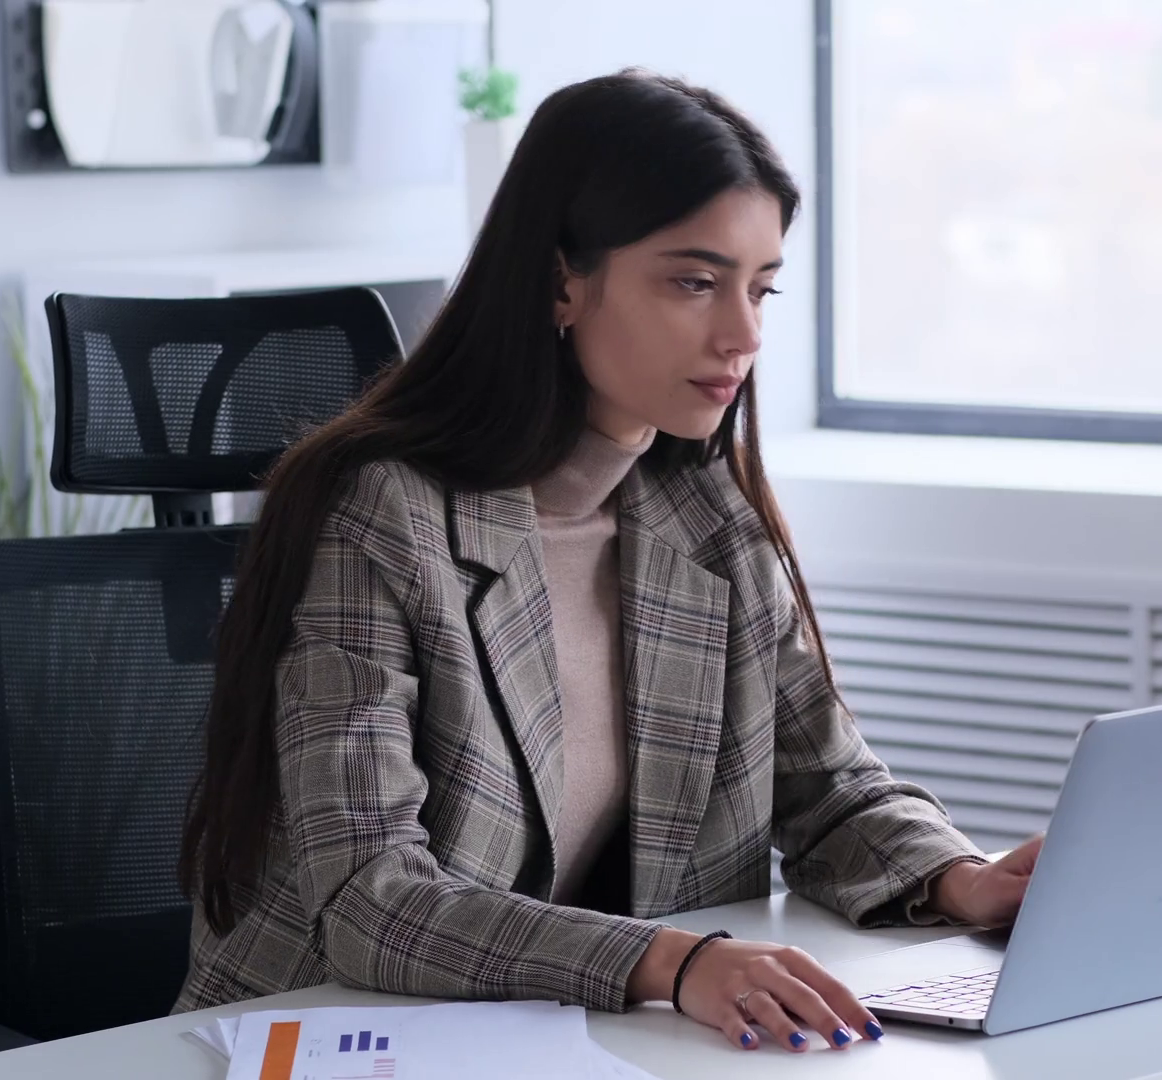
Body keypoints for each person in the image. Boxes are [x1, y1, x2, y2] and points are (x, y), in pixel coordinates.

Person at [174, 69, 1043, 1053]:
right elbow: (371, 899)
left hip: (585, 1045)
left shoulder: (707, 513)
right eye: (694, 282)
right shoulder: (383, 512)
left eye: (761, 289)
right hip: (337, 1041)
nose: (743, 335)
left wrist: (958, 879)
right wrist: (672, 961)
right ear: (560, 281)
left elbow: (824, 785)